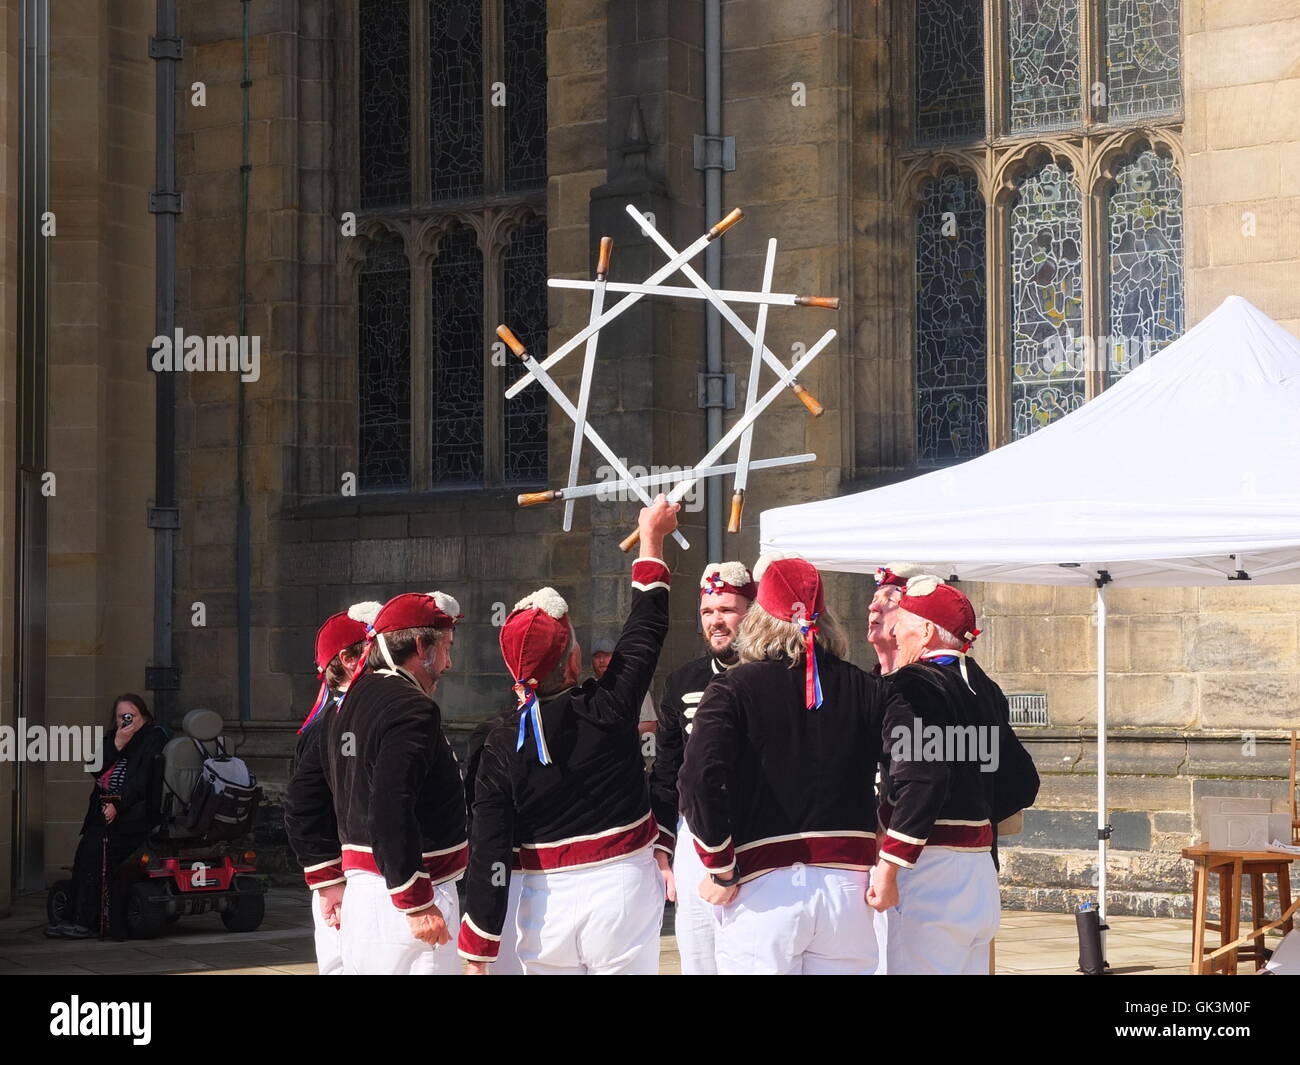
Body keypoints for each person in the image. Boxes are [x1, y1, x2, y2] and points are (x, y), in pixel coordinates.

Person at [458, 495, 680, 975]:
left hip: (543, 904)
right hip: (621, 888)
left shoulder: (496, 739)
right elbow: (645, 630)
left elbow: (489, 842)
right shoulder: (607, 705)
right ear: (574, 662)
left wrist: (479, 944)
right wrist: (652, 539)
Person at [679, 555, 908, 974]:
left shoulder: (731, 688)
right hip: (846, 887)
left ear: (759, 616)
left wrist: (720, 864)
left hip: (762, 890)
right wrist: (888, 846)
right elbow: (915, 773)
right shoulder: (869, 687)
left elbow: (697, 779)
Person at [866, 576, 1040, 974]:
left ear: (925, 631)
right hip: (977, 869)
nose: (894, 628)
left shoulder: (911, 685)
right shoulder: (985, 687)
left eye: (902, 620)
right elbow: (1022, 782)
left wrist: (892, 862)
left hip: (926, 871)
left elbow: (922, 778)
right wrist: (972, 804)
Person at [291, 590, 467, 975]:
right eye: (446, 647)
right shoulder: (410, 706)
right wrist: (416, 900)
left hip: (363, 896)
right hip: (408, 892)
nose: (449, 662)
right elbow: (390, 806)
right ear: (421, 646)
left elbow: (305, 798)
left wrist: (328, 879)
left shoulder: (347, 703)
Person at [649, 560, 755, 974]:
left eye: (727, 610)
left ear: (751, 612)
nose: (717, 621)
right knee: (699, 960)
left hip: (759, 828)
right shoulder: (682, 681)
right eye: (708, 612)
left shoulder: (775, 674)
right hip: (696, 836)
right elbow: (666, 770)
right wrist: (662, 848)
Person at [283, 601, 379, 975]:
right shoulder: (329, 725)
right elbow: (301, 806)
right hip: (345, 883)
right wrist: (328, 880)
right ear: (350, 658)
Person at [48, 694, 167, 940]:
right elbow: (94, 767)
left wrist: (117, 803)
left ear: (142, 715)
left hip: (133, 816)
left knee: (96, 857)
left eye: (130, 715)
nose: (125, 720)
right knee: (84, 856)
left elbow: (141, 781)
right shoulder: (114, 737)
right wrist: (118, 744)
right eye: (120, 716)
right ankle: (73, 917)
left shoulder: (153, 739)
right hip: (103, 813)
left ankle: (86, 921)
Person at [592, 636, 657, 768]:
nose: (602, 661)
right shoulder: (587, 691)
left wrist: (615, 735)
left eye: (606, 655)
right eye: (597, 656)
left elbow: (649, 726)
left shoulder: (635, 688)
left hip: (629, 760)